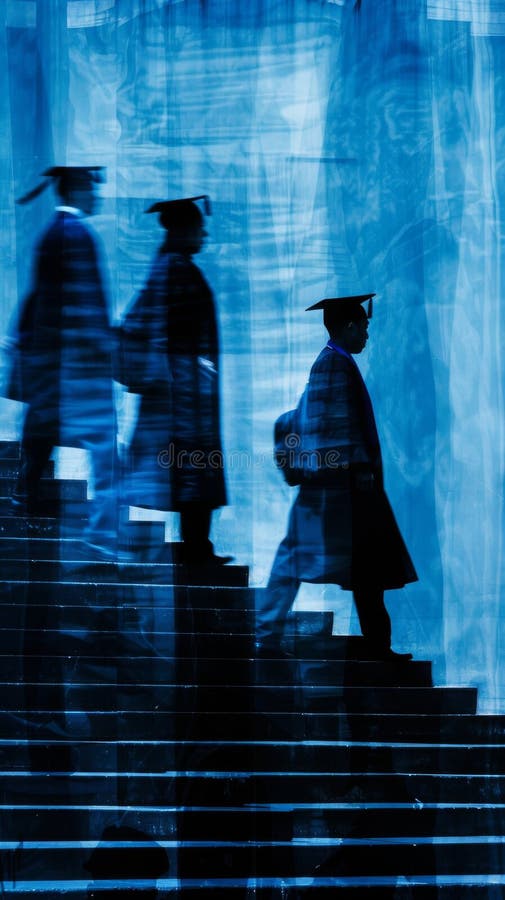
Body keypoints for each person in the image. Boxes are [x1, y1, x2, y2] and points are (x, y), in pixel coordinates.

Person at [256, 293, 417, 660]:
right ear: (348, 326)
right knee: (311, 559)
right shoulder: (334, 365)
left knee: (364, 569)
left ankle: (378, 645)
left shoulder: (334, 362)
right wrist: (360, 468)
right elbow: (335, 424)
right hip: (336, 487)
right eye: (364, 327)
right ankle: (267, 633)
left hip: (338, 486)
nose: (367, 335)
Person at [8, 166, 118, 558]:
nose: (97, 194)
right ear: (78, 187)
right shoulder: (77, 235)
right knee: (103, 444)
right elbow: (85, 302)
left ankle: (27, 491)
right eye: (91, 185)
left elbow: (39, 295)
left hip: (53, 361)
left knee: (43, 424)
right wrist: (104, 349)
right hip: (75, 364)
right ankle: (101, 532)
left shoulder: (52, 234)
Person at [121, 195, 230, 566]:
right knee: (193, 470)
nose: (205, 234)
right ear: (184, 230)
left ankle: (198, 544)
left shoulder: (168, 266)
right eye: (199, 228)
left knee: (191, 469)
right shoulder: (176, 269)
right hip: (185, 396)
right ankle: (197, 546)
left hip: (185, 391)